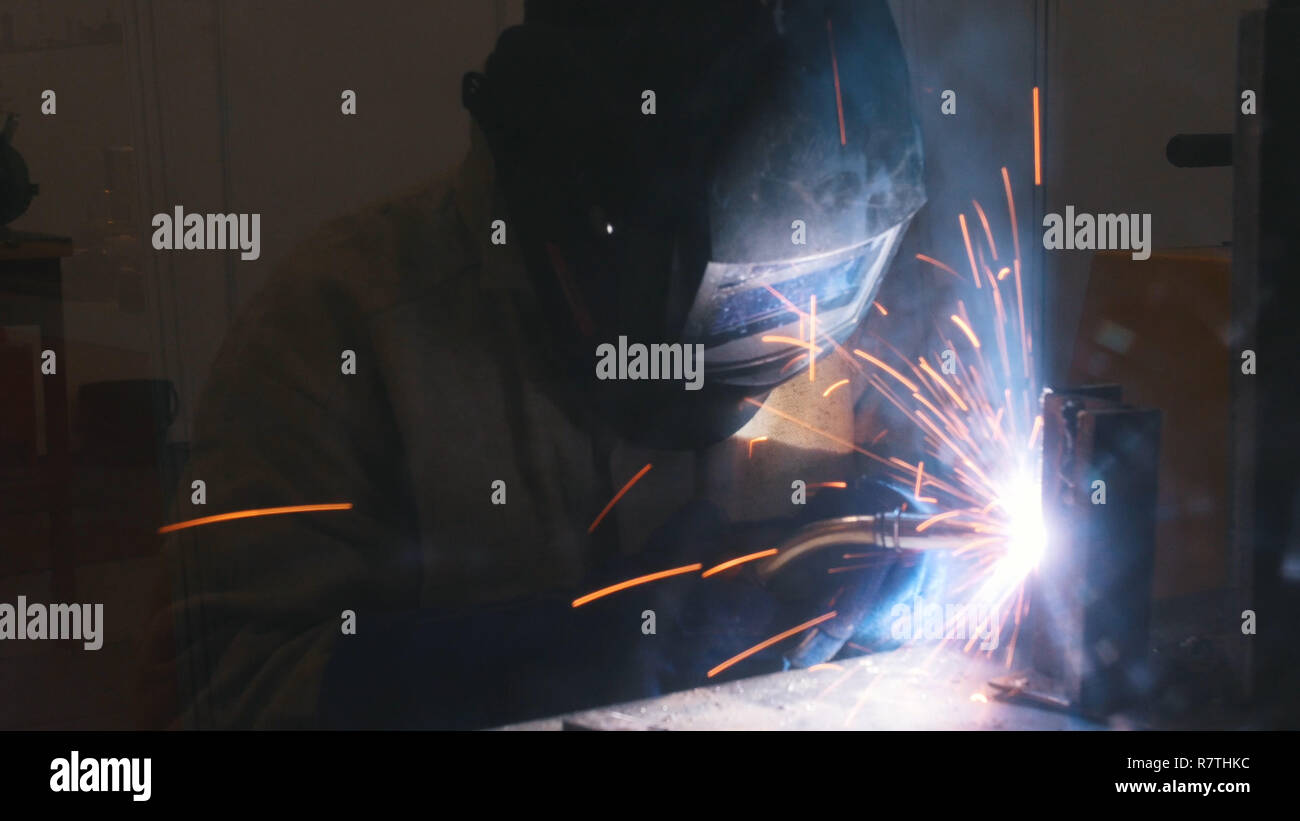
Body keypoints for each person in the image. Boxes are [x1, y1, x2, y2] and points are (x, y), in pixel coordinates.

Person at [148, 0, 926, 729]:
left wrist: (883, 570)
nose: (779, 343)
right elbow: (222, 692)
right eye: (734, 302)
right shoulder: (339, 329)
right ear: (587, 229)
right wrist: (579, 656)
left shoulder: (813, 317)